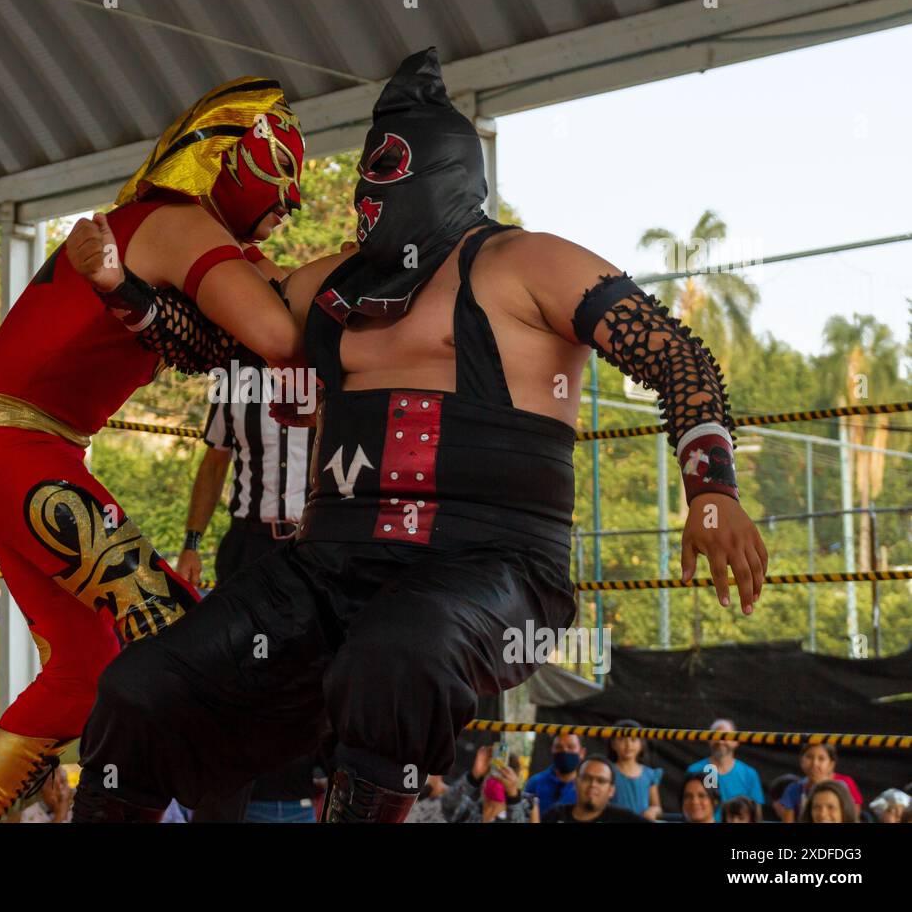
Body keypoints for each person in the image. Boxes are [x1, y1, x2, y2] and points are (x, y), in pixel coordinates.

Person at [70, 46, 766, 823]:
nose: (369, 198)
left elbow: (675, 353)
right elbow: (215, 347)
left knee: (397, 656)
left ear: (441, 177)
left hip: (491, 569)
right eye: (368, 177)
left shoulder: (525, 262)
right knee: (141, 688)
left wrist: (711, 489)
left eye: (387, 176)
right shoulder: (331, 282)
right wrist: (121, 289)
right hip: (329, 564)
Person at [0, 76, 306, 823]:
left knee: (82, 672)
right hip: (17, 446)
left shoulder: (163, 228)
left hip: (9, 449)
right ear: (238, 165)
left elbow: (204, 343)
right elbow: (278, 338)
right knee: (188, 637)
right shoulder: (182, 223)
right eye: (285, 180)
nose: (291, 206)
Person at [179, 334, 319, 823]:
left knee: (309, 666)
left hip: (310, 543)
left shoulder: (324, 369)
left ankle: (308, 794)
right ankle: (224, 806)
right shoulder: (234, 378)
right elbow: (215, 460)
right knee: (237, 668)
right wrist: (192, 544)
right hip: (248, 543)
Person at [685, 717, 764, 820]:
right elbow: (687, 810)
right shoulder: (695, 771)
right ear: (709, 740)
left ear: (737, 741)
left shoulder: (749, 774)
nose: (720, 741)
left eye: (726, 736)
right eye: (715, 736)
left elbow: (757, 814)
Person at [543, 756, 648, 823]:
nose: (593, 784)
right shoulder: (555, 814)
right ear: (575, 783)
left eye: (601, 781)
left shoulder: (625, 819)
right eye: (586, 778)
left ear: (611, 791)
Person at [779, 743, 863, 822]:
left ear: (831, 764)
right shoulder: (793, 789)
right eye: (809, 757)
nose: (814, 763)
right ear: (801, 760)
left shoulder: (844, 785)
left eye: (821, 758)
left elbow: (853, 818)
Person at [607, 719, 663, 819]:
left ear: (641, 744)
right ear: (613, 744)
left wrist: (653, 811)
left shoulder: (649, 774)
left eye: (633, 739)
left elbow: (656, 806)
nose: (628, 745)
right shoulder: (607, 771)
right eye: (622, 739)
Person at [523, 734, 583, 815]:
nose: (564, 751)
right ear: (552, 750)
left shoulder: (587, 787)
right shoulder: (535, 783)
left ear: (582, 752)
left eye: (570, 747)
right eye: (559, 747)